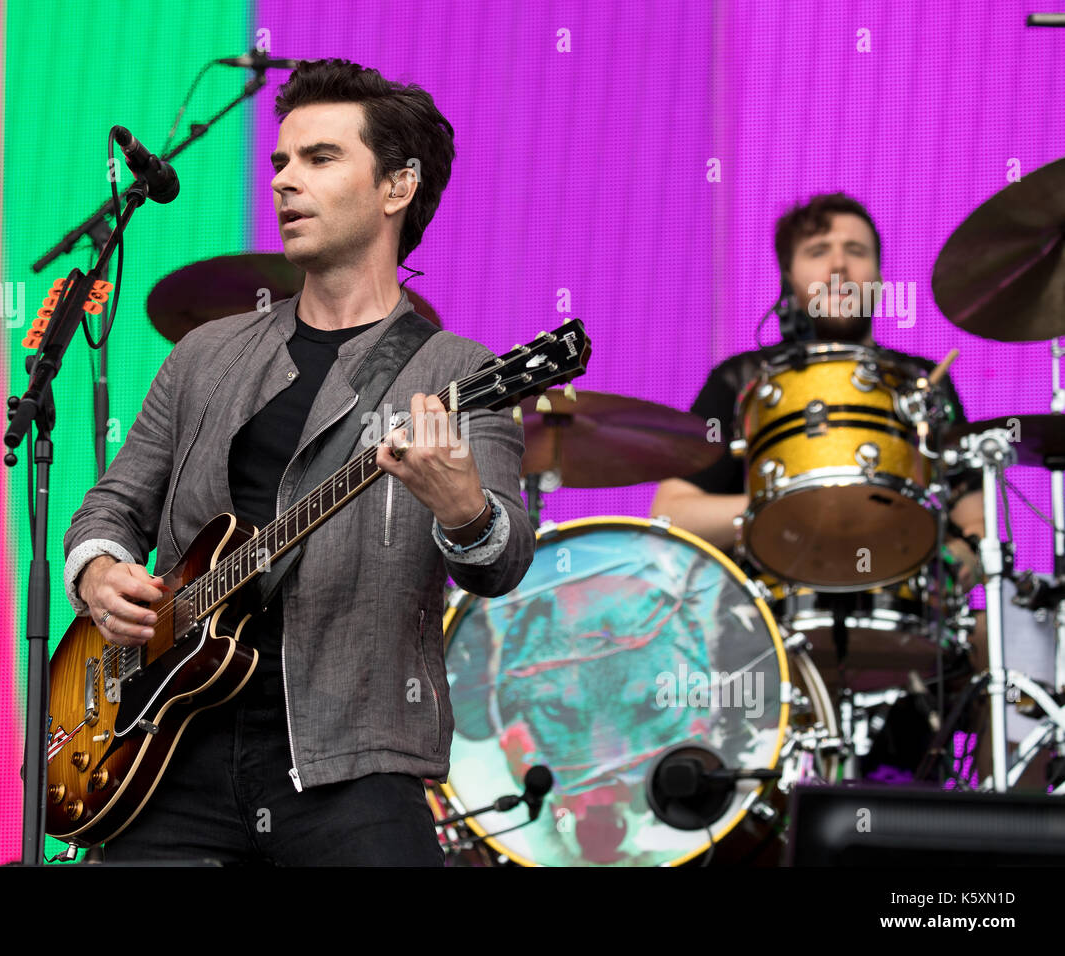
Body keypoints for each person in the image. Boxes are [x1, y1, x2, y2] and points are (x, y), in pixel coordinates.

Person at [61, 59, 535, 865]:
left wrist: (464, 510)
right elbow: (112, 506)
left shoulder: (456, 372)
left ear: (397, 188)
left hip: (353, 765)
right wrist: (98, 573)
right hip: (165, 752)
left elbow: (504, 556)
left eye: (320, 159)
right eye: (281, 161)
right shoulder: (205, 355)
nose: (285, 180)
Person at [650, 192, 989, 781]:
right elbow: (672, 513)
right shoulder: (741, 382)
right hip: (768, 628)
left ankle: (987, 837)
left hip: (908, 621)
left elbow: (976, 519)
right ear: (789, 276)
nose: (838, 265)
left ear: (880, 277)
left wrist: (964, 550)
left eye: (856, 251)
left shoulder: (922, 383)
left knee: (1007, 638)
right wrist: (800, 510)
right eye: (818, 250)